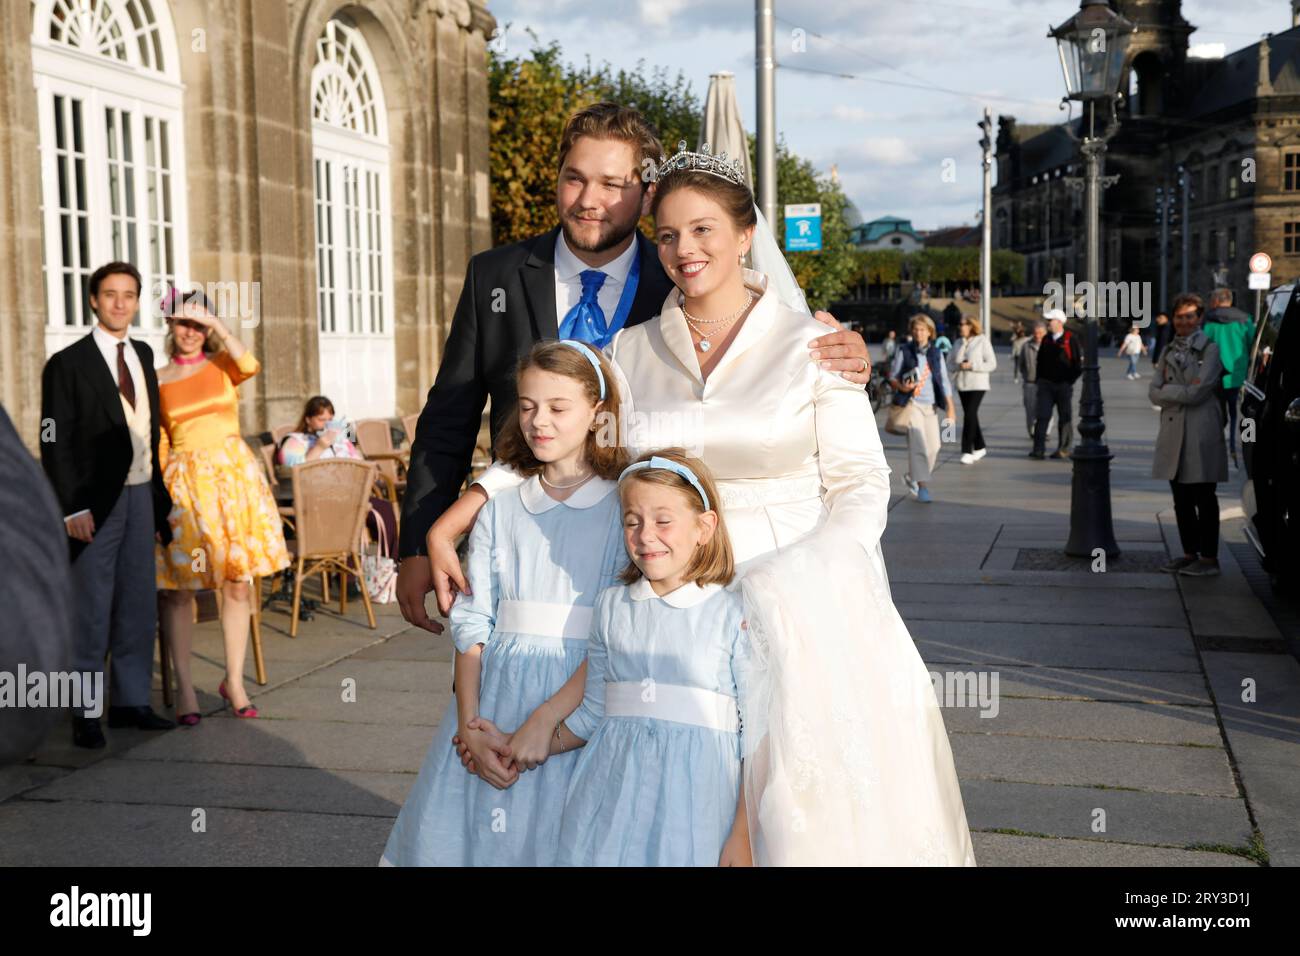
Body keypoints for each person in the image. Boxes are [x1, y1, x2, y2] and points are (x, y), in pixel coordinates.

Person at [436, 145, 975, 864]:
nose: (683, 249)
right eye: (667, 234)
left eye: (703, 230)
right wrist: (465, 507)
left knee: (796, 804)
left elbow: (860, 483)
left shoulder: (816, 346)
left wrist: (804, 573)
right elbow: (562, 446)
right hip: (670, 602)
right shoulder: (627, 354)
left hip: (797, 593)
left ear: (746, 234)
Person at [396, 103, 872, 635]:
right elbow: (449, 418)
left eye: (612, 184)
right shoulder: (495, 277)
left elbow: (768, 361)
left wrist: (844, 355)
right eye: (574, 179)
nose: (588, 200)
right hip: (524, 561)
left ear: (646, 195)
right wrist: (419, 541)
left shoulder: (683, 279)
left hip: (651, 564)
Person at [381, 340, 629, 865]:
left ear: (596, 413)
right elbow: (473, 623)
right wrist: (469, 726)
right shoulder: (502, 506)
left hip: (579, 697)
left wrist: (546, 719)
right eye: (528, 405)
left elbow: (614, 631)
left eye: (559, 408)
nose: (540, 421)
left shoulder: (620, 507)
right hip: (497, 691)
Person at [552, 450, 751, 866]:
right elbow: (593, 712)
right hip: (610, 795)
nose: (645, 535)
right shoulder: (612, 607)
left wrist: (743, 834)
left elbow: (758, 736)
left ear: (704, 526)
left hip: (695, 805)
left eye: (663, 521)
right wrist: (525, 745)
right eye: (632, 521)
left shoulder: (732, 615)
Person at [40, 261, 175, 748]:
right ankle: (84, 710)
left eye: (129, 294)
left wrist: (159, 498)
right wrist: (72, 507)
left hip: (141, 494)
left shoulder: (141, 353)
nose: (120, 303)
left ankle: (131, 702)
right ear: (94, 300)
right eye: (110, 294)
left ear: (138, 301)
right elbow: (54, 441)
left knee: (138, 604)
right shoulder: (67, 363)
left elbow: (150, 429)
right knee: (92, 607)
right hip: (94, 502)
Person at [154, 288, 289, 722]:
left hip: (234, 487)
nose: (190, 331)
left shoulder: (222, 366)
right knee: (184, 590)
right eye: (182, 321)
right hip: (187, 492)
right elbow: (158, 443)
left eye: (199, 323)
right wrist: (160, 502)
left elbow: (250, 364)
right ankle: (186, 690)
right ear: (169, 324)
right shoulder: (156, 378)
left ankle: (234, 679)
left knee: (237, 583)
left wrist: (216, 324)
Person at [1152, 294, 1228, 577]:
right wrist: (1178, 393)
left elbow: (1199, 392)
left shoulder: (1210, 349)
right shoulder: (1168, 350)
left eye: (1189, 316)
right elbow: (1152, 390)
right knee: (1180, 497)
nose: (1183, 322)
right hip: (1173, 431)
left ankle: (1209, 558)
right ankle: (1188, 553)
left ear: (1199, 319)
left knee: (1203, 495)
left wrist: (1169, 393)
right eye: (1179, 316)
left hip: (1200, 432)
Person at [890, 314, 956, 503]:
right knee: (918, 446)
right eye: (916, 329)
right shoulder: (904, 350)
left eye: (922, 330)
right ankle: (922, 487)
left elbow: (944, 381)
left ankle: (913, 476)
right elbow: (893, 377)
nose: (919, 333)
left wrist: (951, 408)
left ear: (929, 332)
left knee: (935, 446)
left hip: (931, 406)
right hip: (912, 405)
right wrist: (902, 387)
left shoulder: (936, 353)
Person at [1202, 288, 1253, 468]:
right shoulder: (1245, 319)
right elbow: (1252, 344)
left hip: (1214, 374)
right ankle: (1243, 450)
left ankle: (1215, 449)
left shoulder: (1209, 320)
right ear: (1230, 300)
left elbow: (1201, 345)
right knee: (1242, 415)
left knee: (1217, 415)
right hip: (1238, 375)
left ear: (1216, 301)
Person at [1029, 309, 1082, 460]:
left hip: (1063, 386)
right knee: (1042, 416)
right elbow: (1040, 361)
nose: (1048, 323)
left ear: (1059, 322)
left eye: (1050, 320)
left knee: (1065, 417)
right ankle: (1038, 449)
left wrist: (1068, 381)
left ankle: (1064, 448)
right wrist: (1039, 380)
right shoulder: (1046, 339)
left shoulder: (1070, 339)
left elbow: (1077, 364)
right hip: (1046, 385)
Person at [950, 314, 997, 465]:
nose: (961, 327)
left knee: (969, 414)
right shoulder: (957, 342)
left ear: (971, 326)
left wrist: (973, 365)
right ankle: (980, 446)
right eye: (960, 324)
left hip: (978, 384)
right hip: (962, 384)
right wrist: (959, 365)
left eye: (964, 324)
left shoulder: (982, 341)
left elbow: (992, 364)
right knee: (971, 416)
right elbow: (949, 363)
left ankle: (966, 450)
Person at [276, 396, 364, 466]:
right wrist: (319, 448)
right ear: (308, 420)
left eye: (330, 419)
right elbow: (294, 472)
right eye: (321, 420)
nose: (327, 424)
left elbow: (355, 455)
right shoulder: (296, 440)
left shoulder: (338, 438)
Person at [1013, 320, 1055, 441]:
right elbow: (1021, 364)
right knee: (1030, 409)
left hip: (1047, 383)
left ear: (1045, 333)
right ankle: (1032, 431)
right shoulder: (1026, 346)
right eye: (1036, 333)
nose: (1037, 336)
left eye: (1040, 333)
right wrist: (1027, 375)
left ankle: (1046, 432)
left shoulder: (1051, 344)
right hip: (1030, 383)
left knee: (1047, 408)